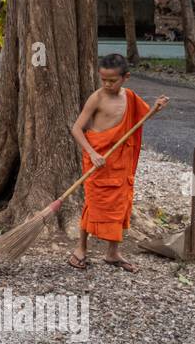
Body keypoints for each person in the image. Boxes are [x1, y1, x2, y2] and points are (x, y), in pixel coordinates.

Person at [67, 54, 168, 272]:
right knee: (93, 205)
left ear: (125, 77)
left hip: (120, 163)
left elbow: (141, 118)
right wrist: (92, 153)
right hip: (98, 162)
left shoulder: (130, 97)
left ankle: (113, 253)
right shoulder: (97, 98)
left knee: (121, 205)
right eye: (103, 80)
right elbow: (76, 128)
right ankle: (80, 249)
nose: (107, 84)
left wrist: (156, 108)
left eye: (112, 81)